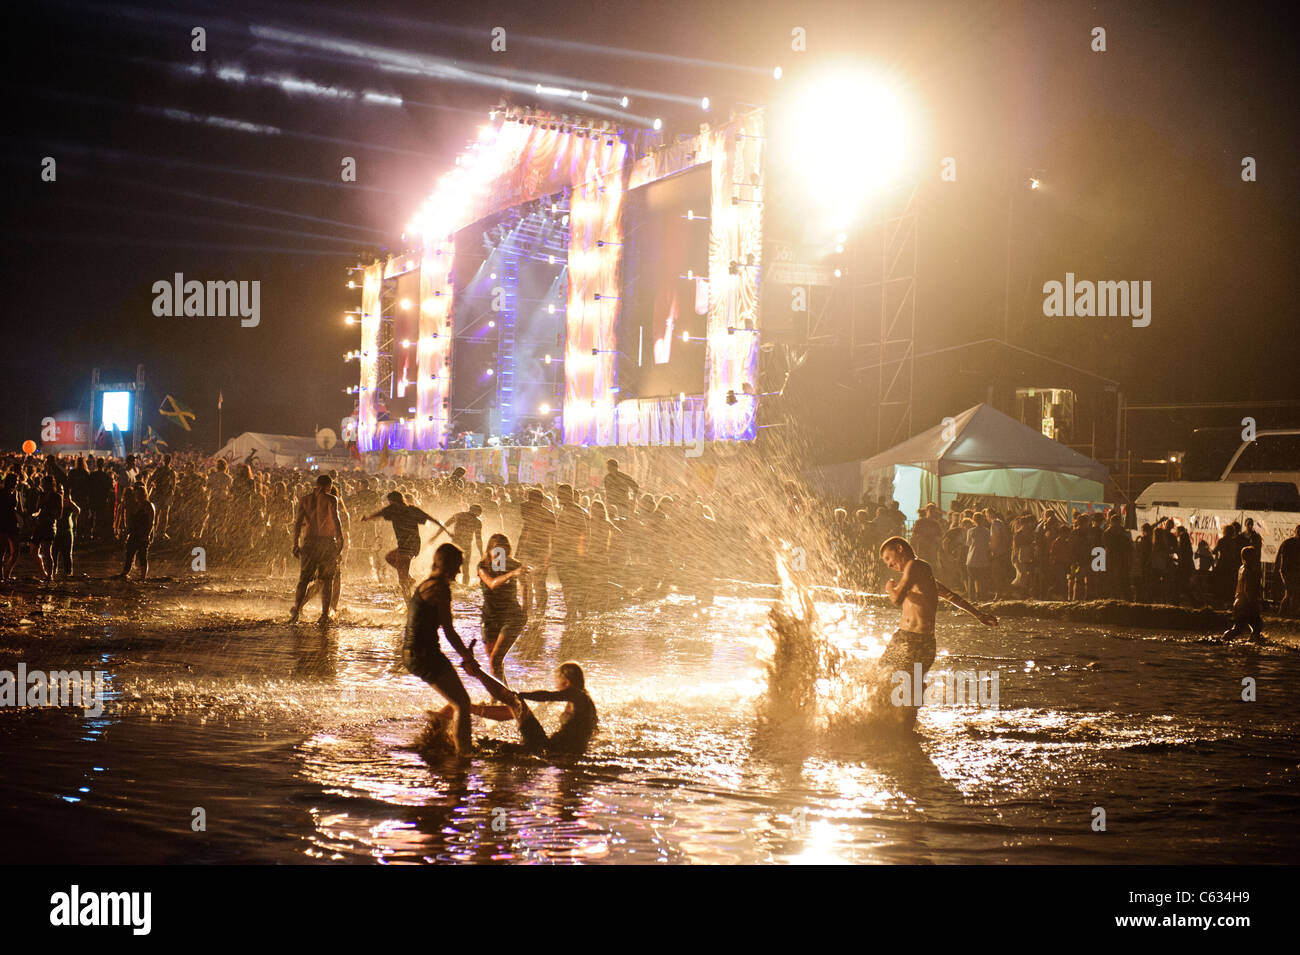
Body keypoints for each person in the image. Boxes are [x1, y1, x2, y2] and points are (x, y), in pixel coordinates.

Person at [878, 536, 998, 731]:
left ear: (900, 548)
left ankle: (902, 729)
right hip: (904, 637)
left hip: (918, 641)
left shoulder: (916, 566)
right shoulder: (923, 575)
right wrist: (978, 615)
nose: (889, 565)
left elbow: (897, 599)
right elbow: (951, 596)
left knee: (906, 685)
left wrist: (890, 588)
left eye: (888, 558)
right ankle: (889, 723)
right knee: (884, 678)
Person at [405, 542, 481, 754]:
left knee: (457, 700)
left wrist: (466, 656)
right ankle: (463, 755)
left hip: (415, 652)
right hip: (424, 654)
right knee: (462, 704)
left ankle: (433, 738)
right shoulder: (440, 589)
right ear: (448, 564)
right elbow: (448, 631)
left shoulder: (426, 584)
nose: (459, 570)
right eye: (458, 565)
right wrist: (468, 658)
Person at [459, 658, 598, 755]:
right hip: (556, 749)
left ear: (567, 682)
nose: (556, 687)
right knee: (515, 710)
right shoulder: (588, 703)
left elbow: (546, 696)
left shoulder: (576, 695)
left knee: (514, 701)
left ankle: (477, 672)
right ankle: (473, 708)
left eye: (557, 683)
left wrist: (521, 695)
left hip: (548, 749)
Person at [361, 491, 446, 597]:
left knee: (402, 579)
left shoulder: (394, 509)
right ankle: (409, 580)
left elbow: (379, 513)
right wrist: (443, 527)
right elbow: (431, 519)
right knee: (390, 558)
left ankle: (409, 602)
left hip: (407, 545)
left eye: (390, 501)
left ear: (392, 501)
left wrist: (367, 518)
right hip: (412, 544)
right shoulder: (411, 509)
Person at [290, 475, 345, 624]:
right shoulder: (331, 499)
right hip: (326, 542)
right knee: (327, 579)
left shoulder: (305, 500)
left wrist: (295, 544)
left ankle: (296, 611)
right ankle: (324, 615)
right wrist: (340, 538)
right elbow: (336, 519)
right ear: (328, 486)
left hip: (309, 542)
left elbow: (297, 523)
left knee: (304, 579)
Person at [477, 533, 528, 679]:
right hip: (489, 618)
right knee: (495, 664)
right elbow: (492, 583)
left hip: (511, 616)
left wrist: (525, 610)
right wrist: (511, 574)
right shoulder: (483, 566)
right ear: (489, 551)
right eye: (496, 550)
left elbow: (525, 585)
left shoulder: (514, 565)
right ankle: (502, 698)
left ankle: (503, 699)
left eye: (504, 550)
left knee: (495, 660)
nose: (500, 554)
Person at [516, 488, 555, 617]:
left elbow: (552, 536)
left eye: (530, 499)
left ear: (535, 500)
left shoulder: (531, 512)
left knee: (535, 582)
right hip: (536, 550)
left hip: (536, 551)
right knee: (533, 582)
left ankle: (535, 610)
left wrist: (550, 555)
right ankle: (535, 610)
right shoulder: (547, 513)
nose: (527, 501)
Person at [1221, 545, 1264, 640]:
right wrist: (1253, 603)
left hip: (1239, 602)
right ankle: (1223, 640)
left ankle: (1224, 639)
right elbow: (1247, 589)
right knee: (1254, 626)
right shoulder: (1248, 571)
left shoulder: (1242, 568)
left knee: (1240, 627)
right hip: (1246, 604)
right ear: (1251, 558)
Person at [118, 484, 155, 580]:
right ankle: (125, 572)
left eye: (140, 494)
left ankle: (143, 577)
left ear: (144, 494)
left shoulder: (148, 506)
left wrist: (147, 535)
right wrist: (126, 533)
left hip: (143, 534)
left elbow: (151, 523)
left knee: (142, 556)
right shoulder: (134, 505)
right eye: (137, 494)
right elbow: (131, 522)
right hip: (134, 533)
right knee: (129, 553)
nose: (138, 496)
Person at [446, 503, 485, 585]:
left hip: (455, 543)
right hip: (466, 546)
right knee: (465, 568)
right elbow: (478, 539)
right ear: (478, 513)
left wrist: (441, 534)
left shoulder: (459, 515)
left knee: (452, 565)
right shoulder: (477, 522)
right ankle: (464, 587)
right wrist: (481, 552)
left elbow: (445, 524)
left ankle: (449, 583)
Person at [1276, 525, 1300, 617]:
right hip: (1288, 571)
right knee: (1292, 592)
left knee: (1291, 592)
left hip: (1292, 571)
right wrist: (1283, 572)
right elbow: (1282, 559)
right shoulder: (1288, 543)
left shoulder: (1288, 543)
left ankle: (1283, 612)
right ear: (1295, 532)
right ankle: (1291, 612)